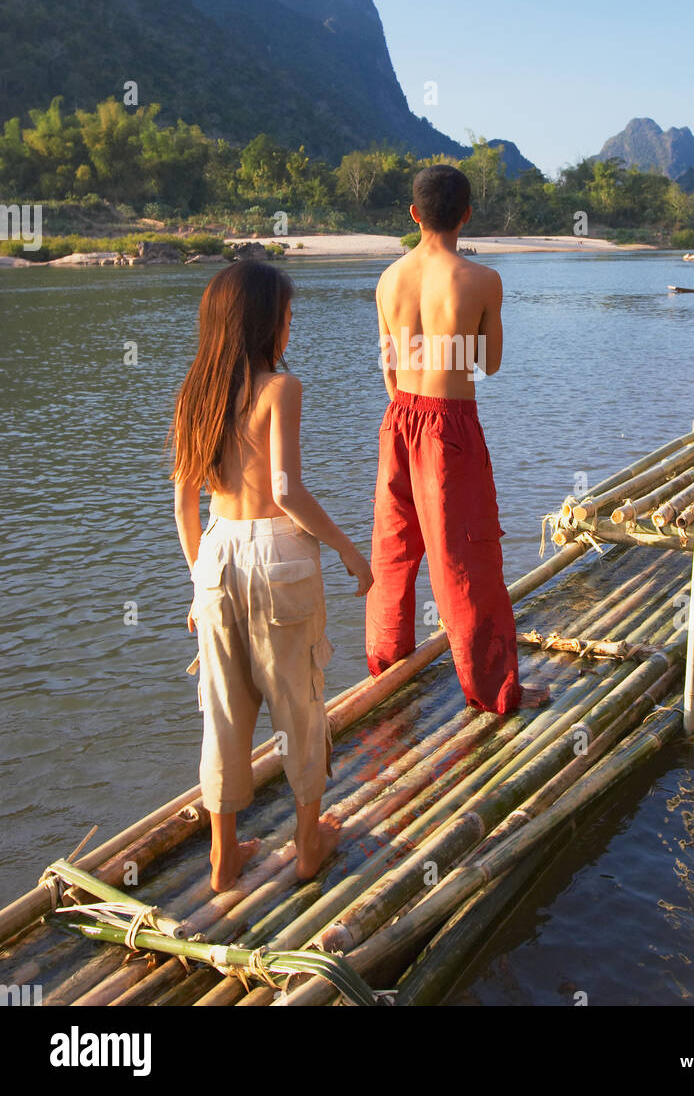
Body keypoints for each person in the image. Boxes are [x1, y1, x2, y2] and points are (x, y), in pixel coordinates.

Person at [170, 261, 373, 893]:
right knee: (299, 704)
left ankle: (224, 860)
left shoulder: (194, 395)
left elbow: (183, 505)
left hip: (218, 552)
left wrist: (200, 580)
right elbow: (285, 491)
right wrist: (347, 549)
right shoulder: (279, 390)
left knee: (225, 712)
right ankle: (308, 847)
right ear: (265, 323)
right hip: (278, 557)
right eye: (287, 315)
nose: (291, 326)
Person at [365, 164, 550, 714]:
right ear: (467, 215)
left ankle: (385, 664)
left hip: (398, 419)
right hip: (450, 423)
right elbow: (489, 364)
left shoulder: (387, 280)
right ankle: (493, 688)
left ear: (414, 214)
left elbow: (390, 370)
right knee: (466, 556)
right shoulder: (483, 280)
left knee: (393, 547)